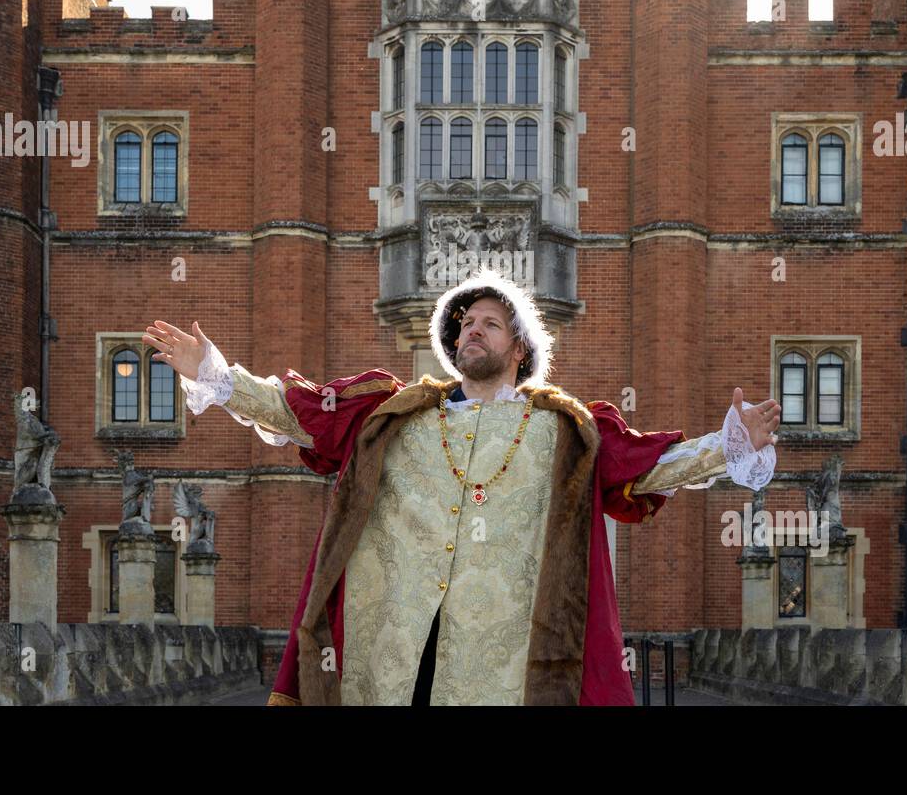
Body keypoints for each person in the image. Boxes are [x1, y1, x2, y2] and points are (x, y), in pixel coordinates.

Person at [144, 268, 781, 705]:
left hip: (504, 669)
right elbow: (300, 415)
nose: (470, 331)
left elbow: (647, 465)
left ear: (520, 350)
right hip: (392, 656)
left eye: (490, 324)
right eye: (465, 323)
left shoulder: (563, 429)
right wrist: (219, 375)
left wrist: (731, 445)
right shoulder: (395, 415)